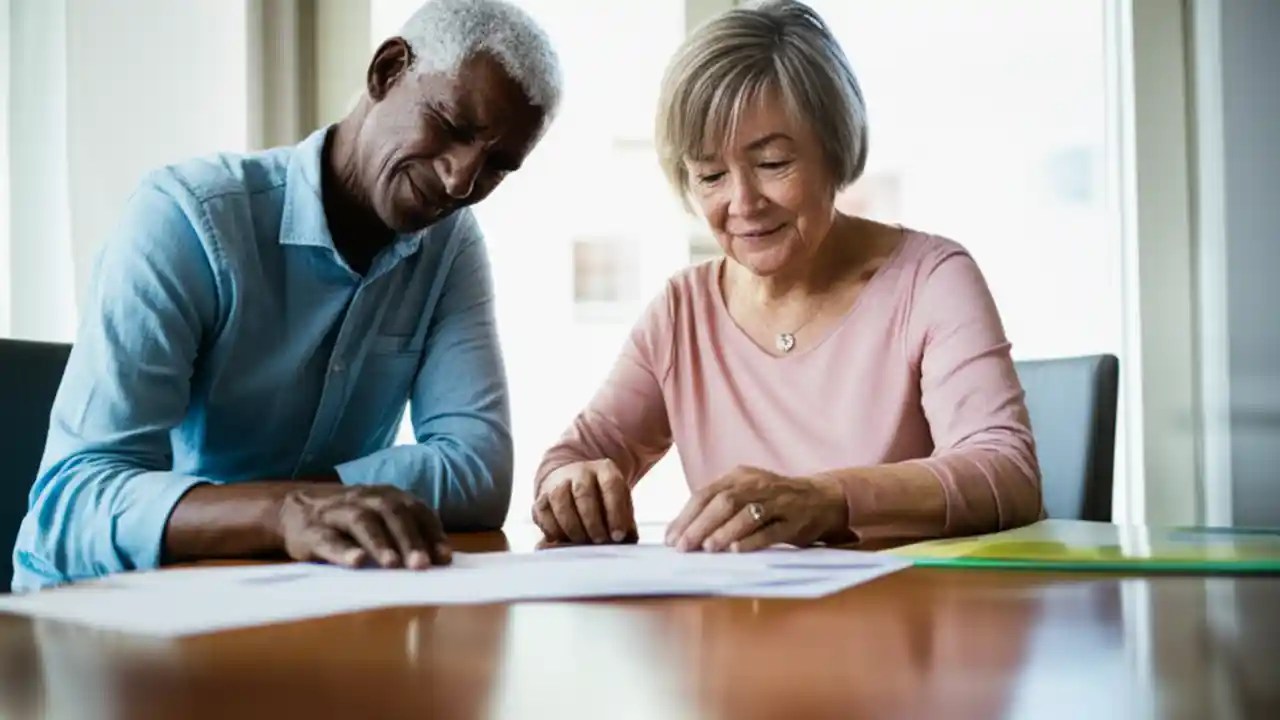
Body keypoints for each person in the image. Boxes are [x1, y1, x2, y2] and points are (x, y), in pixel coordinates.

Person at [12, 0, 562, 591]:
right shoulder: (185, 218)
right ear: (387, 71)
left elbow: (478, 472)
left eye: (497, 165)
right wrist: (282, 514)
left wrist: (308, 513)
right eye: (452, 126)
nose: (460, 181)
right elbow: (72, 505)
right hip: (94, 610)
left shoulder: (448, 245)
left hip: (284, 596)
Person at [531, 0, 1042, 553]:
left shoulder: (932, 280)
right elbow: (573, 459)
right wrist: (572, 487)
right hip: (745, 610)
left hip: (908, 605)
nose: (743, 203)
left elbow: (1007, 471)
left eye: (773, 164)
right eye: (711, 175)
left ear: (834, 149)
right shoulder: (682, 312)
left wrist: (826, 499)